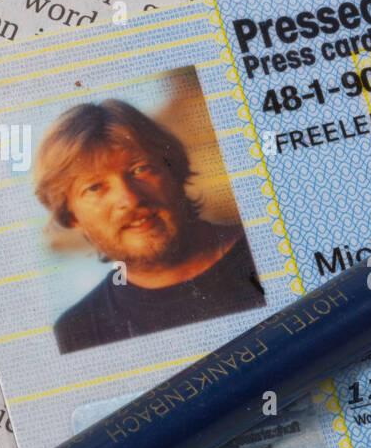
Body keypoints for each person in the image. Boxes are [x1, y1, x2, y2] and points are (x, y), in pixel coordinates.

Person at [32, 99, 265, 354]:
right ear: (72, 218)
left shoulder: (271, 249)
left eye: (140, 169)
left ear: (174, 170)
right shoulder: (78, 334)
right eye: (95, 187)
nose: (129, 199)